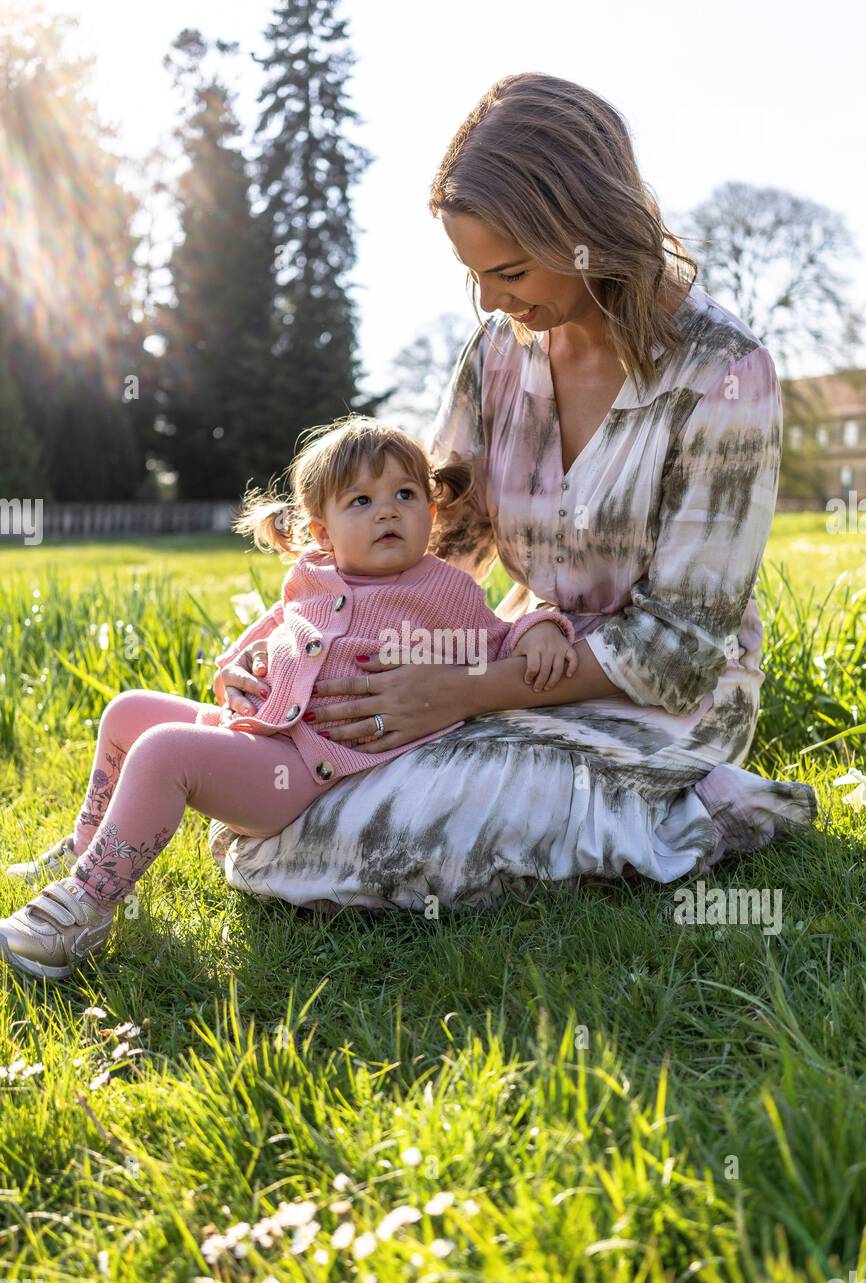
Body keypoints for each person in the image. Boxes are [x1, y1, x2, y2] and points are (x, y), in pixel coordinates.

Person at [209, 72, 817, 911]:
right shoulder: (502, 350)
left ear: (588, 232)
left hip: (657, 700)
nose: (491, 301)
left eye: (510, 271)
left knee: (386, 825)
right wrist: (289, 648)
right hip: (519, 661)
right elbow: (432, 543)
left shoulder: (724, 372)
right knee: (293, 793)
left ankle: (705, 806)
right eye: (475, 277)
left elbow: (678, 650)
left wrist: (457, 694)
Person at [0, 417, 575, 980]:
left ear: (430, 510)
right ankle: (87, 846)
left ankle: (86, 909)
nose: (388, 510)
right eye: (361, 501)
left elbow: (497, 636)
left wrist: (542, 626)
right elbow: (271, 628)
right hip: (262, 728)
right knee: (127, 711)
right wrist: (232, 670)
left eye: (405, 494)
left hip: (302, 766)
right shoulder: (313, 577)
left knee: (163, 751)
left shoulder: (443, 590)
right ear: (322, 531)